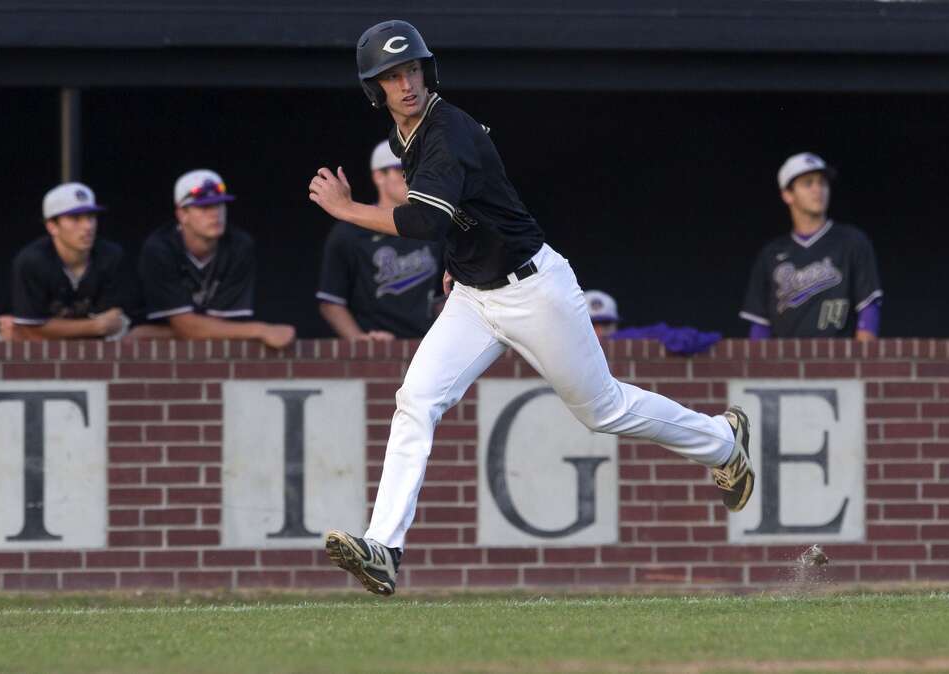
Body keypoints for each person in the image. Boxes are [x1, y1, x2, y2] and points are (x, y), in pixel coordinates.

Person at [308, 19, 755, 596]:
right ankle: (384, 547)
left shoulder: (444, 132)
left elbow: (422, 221)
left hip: (531, 288)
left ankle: (722, 440)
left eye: (412, 69)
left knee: (605, 410)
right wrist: (460, 252)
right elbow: (466, 208)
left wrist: (346, 210)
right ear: (377, 90)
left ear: (427, 70)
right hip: (474, 292)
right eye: (392, 76)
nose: (407, 84)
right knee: (416, 400)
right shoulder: (408, 137)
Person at [131, 169, 295, 349]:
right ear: (182, 214)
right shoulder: (160, 248)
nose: (215, 213)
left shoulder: (239, 245)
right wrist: (261, 330)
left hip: (200, 351)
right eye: (204, 207)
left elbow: (215, 328)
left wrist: (169, 333)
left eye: (219, 205)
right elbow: (190, 329)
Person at [739, 153, 883, 341]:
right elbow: (760, 325)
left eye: (822, 182)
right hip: (786, 365)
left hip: (840, 362)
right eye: (808, 183)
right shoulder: (771, 255)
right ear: (787, 194)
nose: (818, 189)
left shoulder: (852, 241)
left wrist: (860, 362)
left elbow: (868, 308)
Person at [317, 141, 442, 340]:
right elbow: (331, 301)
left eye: (418, 168)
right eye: (403, 169)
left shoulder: (432, 225)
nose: (413, 176)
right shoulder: (349, 231)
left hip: (426, 347)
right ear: (379, 176)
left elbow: (439, 298)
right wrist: (360, 340)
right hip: (377, 348)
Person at [0, 182, 133, 341]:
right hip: (21, 345)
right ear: (52, 226)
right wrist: (93, 326)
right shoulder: (31, 260)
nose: (87, 226)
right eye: (75, 218)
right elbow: (30, 331)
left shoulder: (111, 255)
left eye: (91, 217)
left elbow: (110, 325)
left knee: (123, 331)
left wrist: (50, 328)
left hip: (88, 347)